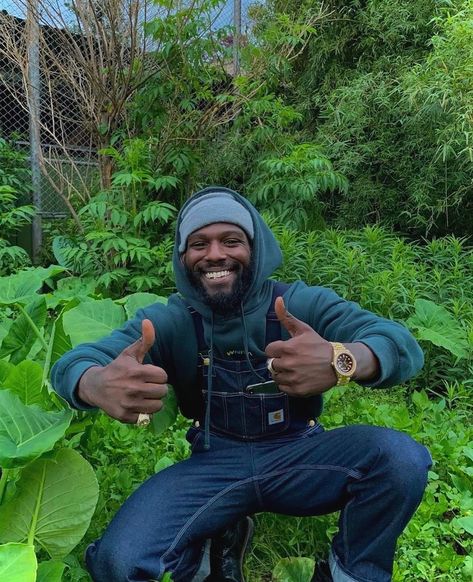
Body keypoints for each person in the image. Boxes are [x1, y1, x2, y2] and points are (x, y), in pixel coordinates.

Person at [51, 187, 432, 582]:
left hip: (300, 456)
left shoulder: (300, 303)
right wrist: (95, 383)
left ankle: (348, 572)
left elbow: (398, 344)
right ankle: (211, 542)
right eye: (199, 244)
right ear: (183, 259)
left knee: (401, 459)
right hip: (214, 461)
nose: (215, 254)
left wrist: (342, 359)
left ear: (256, 248)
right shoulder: (170, 320)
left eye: (231, 241)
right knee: (119, 564)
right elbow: (75, 364)